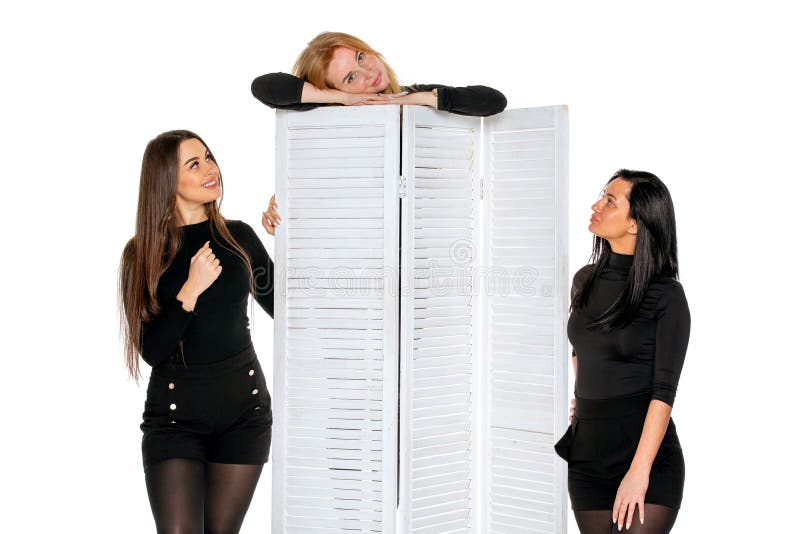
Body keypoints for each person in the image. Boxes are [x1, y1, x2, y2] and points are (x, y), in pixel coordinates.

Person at [119, 130, 275, 533]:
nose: (211, 169)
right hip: (175, 421)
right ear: (166, 181)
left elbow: (286, 307)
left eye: (209, 158)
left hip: (244, 413)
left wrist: (293, 233)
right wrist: (190, 289)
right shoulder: (142, 254)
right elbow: (152, 350)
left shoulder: (237, 237)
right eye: (194, 164)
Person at [252, 31, 507, 233]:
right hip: (359, 259)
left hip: (430, 244)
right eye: (350, 78)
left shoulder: (418, 96)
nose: (369, 73)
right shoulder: (328, 119)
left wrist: (418, 100)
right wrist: (342, 99)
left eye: (360, 57)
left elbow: (494, 101)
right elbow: (263, 87)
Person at [555, 170, 690, 534]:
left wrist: (639, 472)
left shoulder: (666, 296)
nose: (596, 205)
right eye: (602, 196)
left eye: (610, 201)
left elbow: (664, 393)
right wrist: (585, 398)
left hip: (645, 460)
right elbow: (580, 347)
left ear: (635, 224)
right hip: (588, 458)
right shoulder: (584, 281)